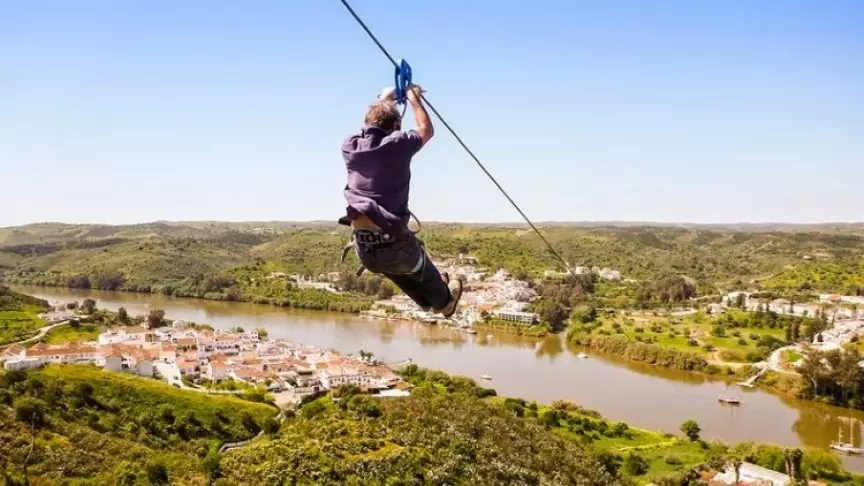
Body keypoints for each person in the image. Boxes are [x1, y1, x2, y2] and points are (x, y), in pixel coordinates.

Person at [338, 84, 463, 318]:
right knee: (418, 267)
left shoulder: (350, 146)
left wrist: (385, 100)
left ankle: (426, 302)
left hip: (364, 251)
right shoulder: (396, 145)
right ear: (395, 127)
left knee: (394, 268)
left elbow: (369, 127)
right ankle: (444, 302)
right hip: (394, 246)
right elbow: (426, 130)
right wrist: (414, 100)